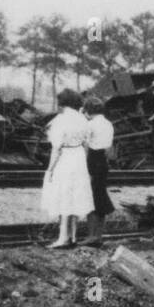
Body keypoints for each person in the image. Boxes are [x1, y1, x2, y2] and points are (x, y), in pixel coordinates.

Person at [41, 89, 94, 248]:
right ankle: (73, 236)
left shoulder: (60, 120)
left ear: (62, 103)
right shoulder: (83, 119)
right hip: (79, 158)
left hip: (65, 158)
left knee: (64, 196)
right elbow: (86, 145)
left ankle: (62, 238)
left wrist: (50, 169)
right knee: (75, 196)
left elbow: (56, 148)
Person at [81, 95, 115, 246]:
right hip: (103, 160)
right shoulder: (108, 124)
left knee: (90, 197)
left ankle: (92, 235)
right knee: (100, 194)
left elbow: (86, 146)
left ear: (88, 110)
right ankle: (98, 235)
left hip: (93, 160)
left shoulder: (90, 125)